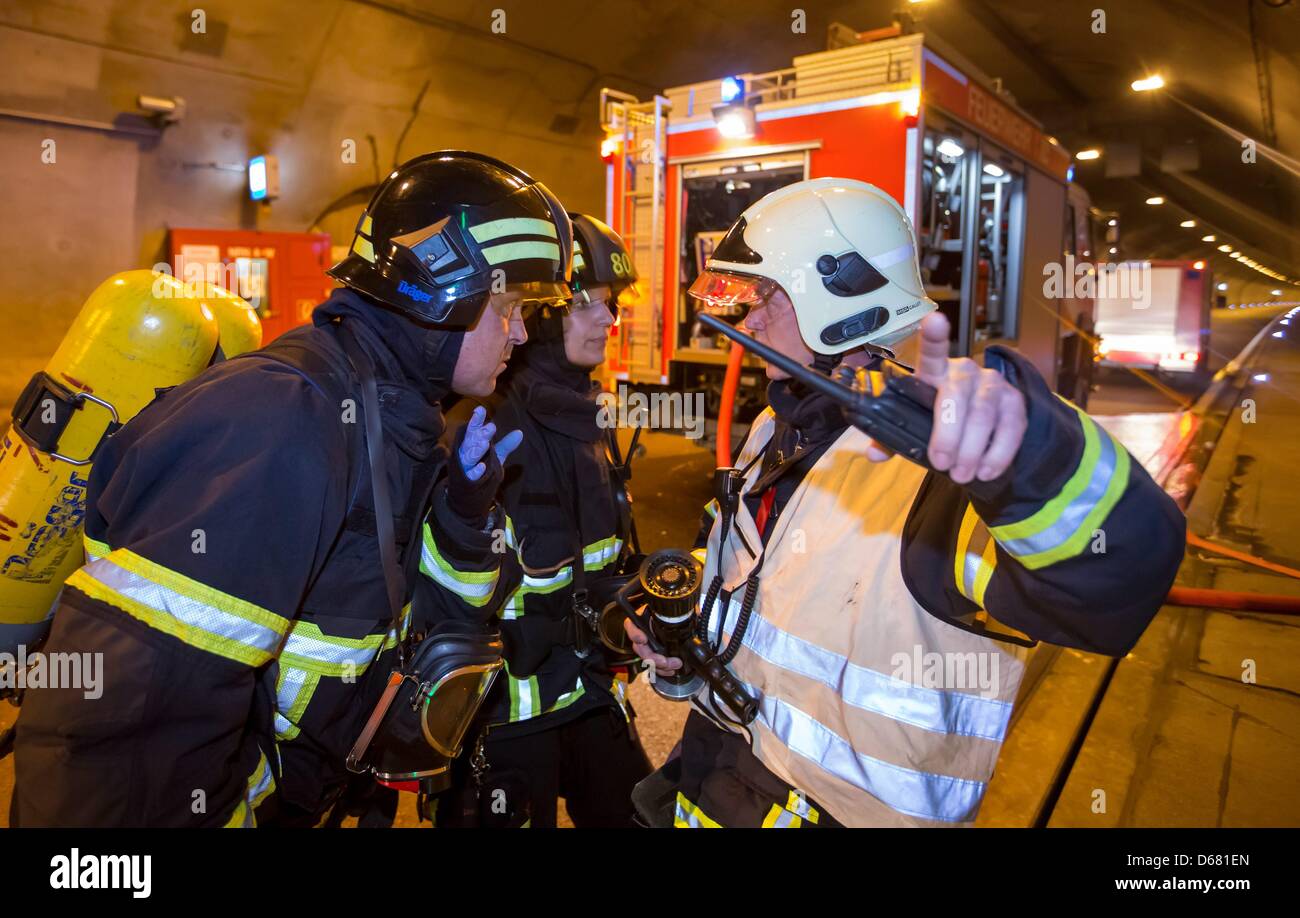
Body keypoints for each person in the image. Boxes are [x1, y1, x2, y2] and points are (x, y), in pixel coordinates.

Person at [11, 151, 572, 827]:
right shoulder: (285, 420)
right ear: (442, 284)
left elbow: (391, 618)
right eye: (511, 306)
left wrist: (460, 513)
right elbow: (127, 731)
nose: (518, 331)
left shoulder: (390, 414)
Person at [626, 177, 1185, 828]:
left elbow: (1118, 589)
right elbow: (759, 614)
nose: (747, 322)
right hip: (715, 781)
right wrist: (682, 655)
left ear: (828, 297)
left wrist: (1034, 460)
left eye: (764, 299)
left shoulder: (940, 482)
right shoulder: (771, 434)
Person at [429, 214, 651, 828]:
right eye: (589, 304)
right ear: (546, 314)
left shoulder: (586, 418)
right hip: (506, 716)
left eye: (610, 305)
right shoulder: (482, 425)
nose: (609, 321)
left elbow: (601, 560)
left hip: (590, 690)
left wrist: (637, 606)